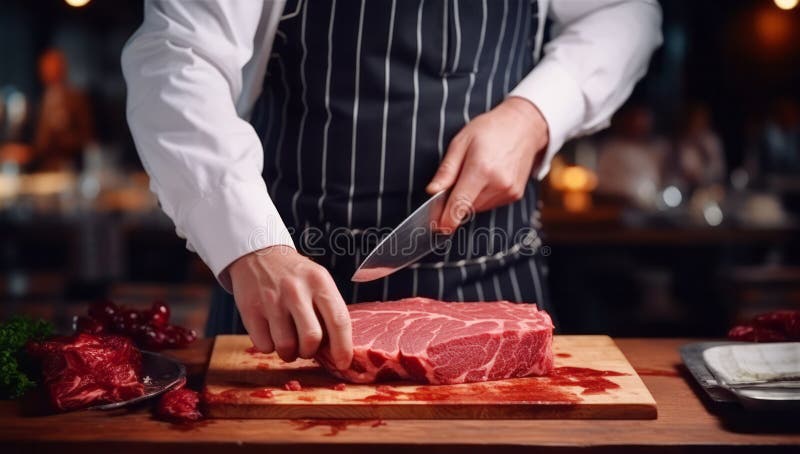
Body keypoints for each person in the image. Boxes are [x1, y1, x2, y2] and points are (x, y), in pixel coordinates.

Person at [122, 0, 662, 367]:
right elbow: (177, 55)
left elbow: (626, 12)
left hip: (495, 292)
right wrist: (248, 242)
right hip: (283, 295)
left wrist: (538, 112)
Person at [33, 49, 93, 171]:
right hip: (45, 167)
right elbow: (39, 140)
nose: (49, 72)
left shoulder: (76, 98)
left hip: (70, 167)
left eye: (53, 67)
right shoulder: (42, 100)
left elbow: (88, 137)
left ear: (62, 69)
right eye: (46, 68)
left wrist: (63, 134)